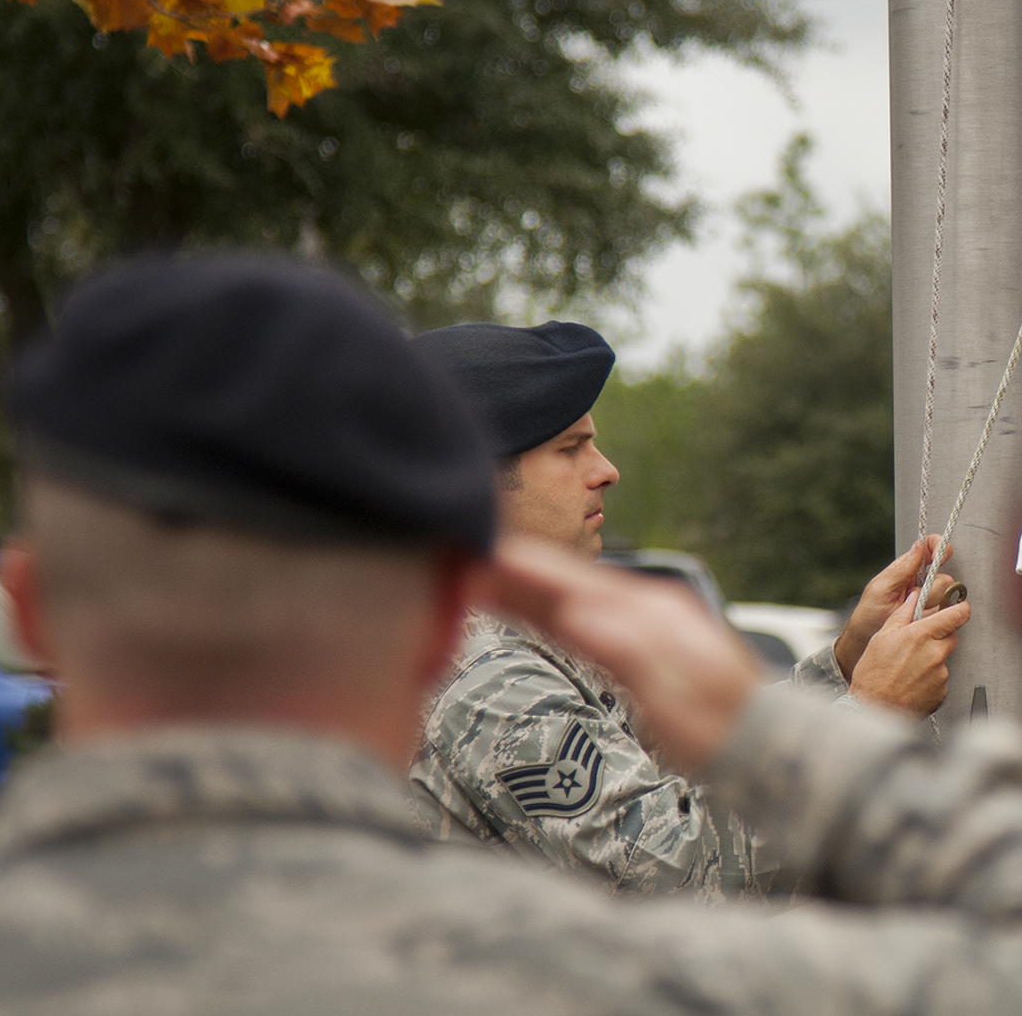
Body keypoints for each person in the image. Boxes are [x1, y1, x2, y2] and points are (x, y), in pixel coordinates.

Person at [0, 254, 1022, 1016]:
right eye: (570, 446)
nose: (608, 469)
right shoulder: (571, 1001)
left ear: (34, 604)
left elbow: (627, 800)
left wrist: (825, 675)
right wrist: (836, 742)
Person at [407, 320, 967, 897]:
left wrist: (847, 666)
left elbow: (693, 758)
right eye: (569, 449)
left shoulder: (513, 638)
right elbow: (677, 874)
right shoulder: (486, 677)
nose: (606, 471)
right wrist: (869, 714)